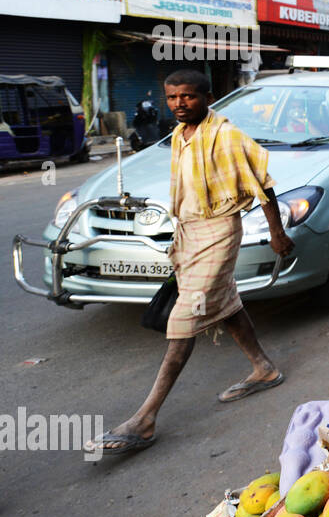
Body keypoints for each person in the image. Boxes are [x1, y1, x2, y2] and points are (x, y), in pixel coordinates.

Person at [84, 70, 295, 455]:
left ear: (207, 97)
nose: (180, 103)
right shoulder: (180, 135)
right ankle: (264, 368)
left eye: (188, 97)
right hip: (190, 232)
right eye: (172, 97)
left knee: (185, 317)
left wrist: (277, 233)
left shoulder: (225, 134)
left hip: (218, 232)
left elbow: (262, 185)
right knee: (226, 304)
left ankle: (145, 418)